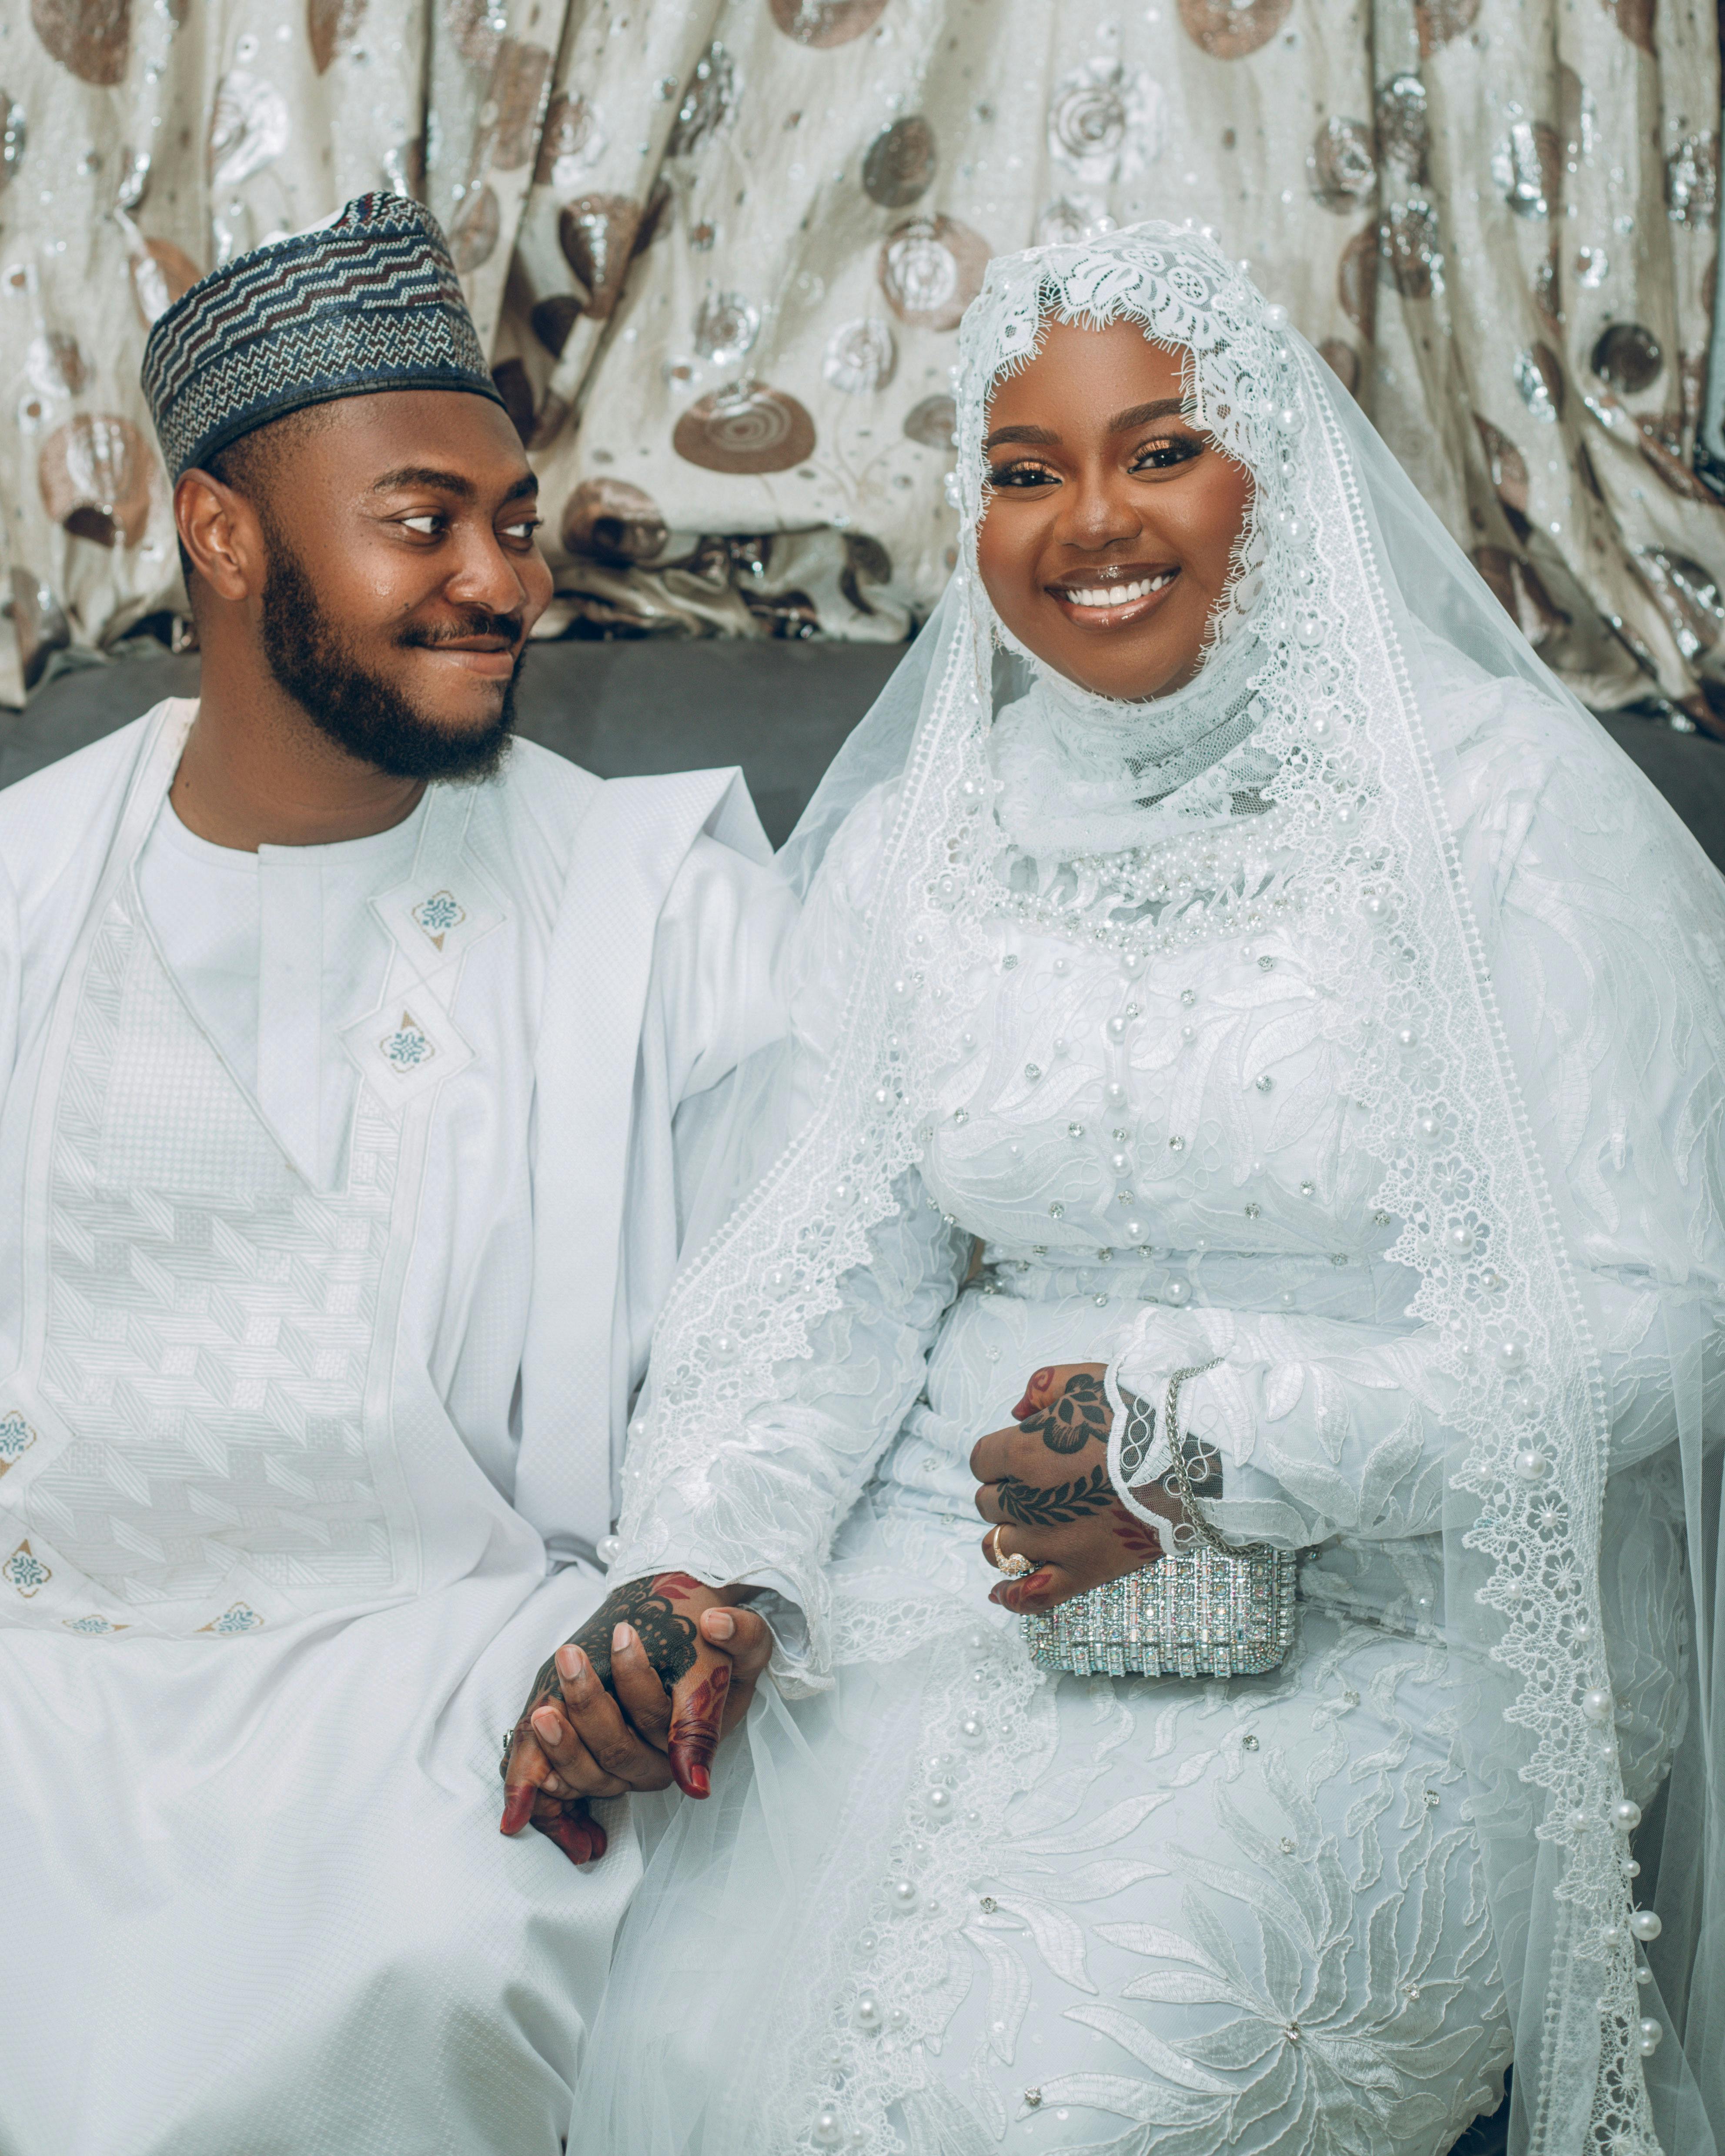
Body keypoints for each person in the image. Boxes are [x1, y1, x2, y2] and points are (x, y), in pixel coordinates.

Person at [565, 226, 1724, 2156]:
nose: (1090, 521)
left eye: (1161, 451)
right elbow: (809, 1283)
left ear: (1279, 468)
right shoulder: (924, 843)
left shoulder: (1496, 808)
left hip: (1396, 1617)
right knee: (655, 2022)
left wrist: (1209, 1448)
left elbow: (1660, 1311)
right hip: (941, 1589)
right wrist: (710, 1575)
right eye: (1025, 471)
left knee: (1064, 2092)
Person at [0, 193, 787, 2156]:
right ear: (222, 532)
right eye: (421, 522)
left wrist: (672, 1614)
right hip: (37, 1681)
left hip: (456, 1683)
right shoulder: (24, 889)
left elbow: (778, 1336)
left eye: (513, 524)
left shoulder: (657, 910)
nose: (496, 581)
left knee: (428, 1962)